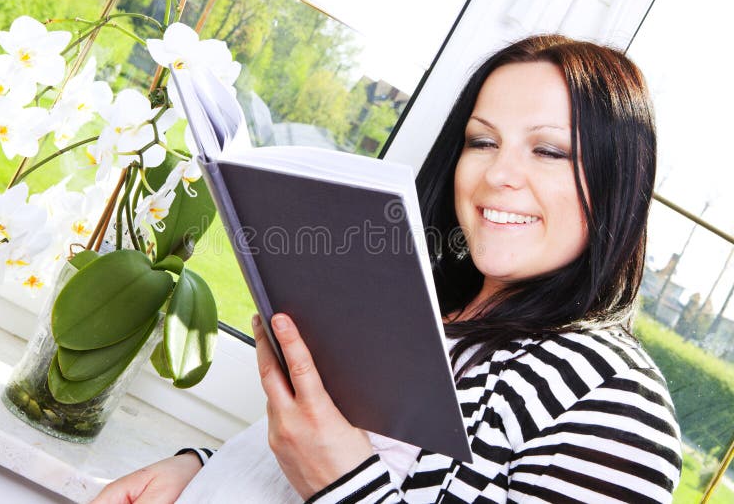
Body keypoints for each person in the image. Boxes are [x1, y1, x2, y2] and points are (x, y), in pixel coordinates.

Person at [92, 34, 682, 503]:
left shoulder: (617, 402)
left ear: (618, 184)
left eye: (549, 151)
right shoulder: (421, 310)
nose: (498, 175)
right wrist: (196, 471)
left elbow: (339, 474)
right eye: (481, 142)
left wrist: (339, 484)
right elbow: (312, 459)